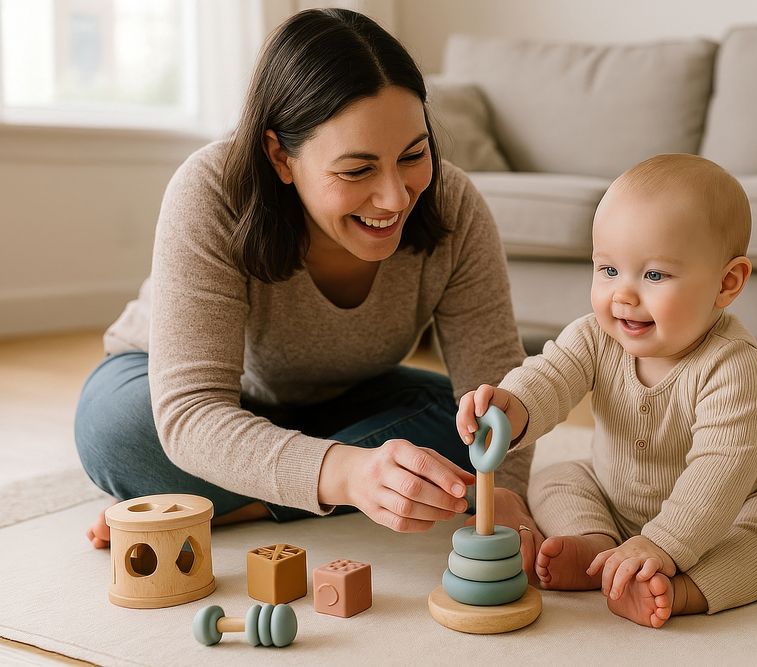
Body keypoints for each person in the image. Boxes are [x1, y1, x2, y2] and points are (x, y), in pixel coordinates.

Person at [74, 7, 540, 573]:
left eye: (413, 156)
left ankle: (237, 500)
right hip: (168, 386)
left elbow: (497, 388)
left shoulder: (454, 205)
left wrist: (503, 492)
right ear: (281, 157)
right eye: (357, 170)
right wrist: (347, 470)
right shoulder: (211, 190)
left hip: (344, 400)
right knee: (121, 437)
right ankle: (322, 479)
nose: (395, 197)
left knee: (464, 425)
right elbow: (190, 413)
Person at [456, 154, 757, 628]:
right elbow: (549, 376)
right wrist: (513, 405)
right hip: (616, 495)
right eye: (608, 270)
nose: (623, 295)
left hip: (736, 504)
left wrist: (664, 543)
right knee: (554, 479)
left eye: (654, 275)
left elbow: (720, 472)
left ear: (727, 284)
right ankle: (597, 548)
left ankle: (682, 589)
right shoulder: (594, 336)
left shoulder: (735, 366)